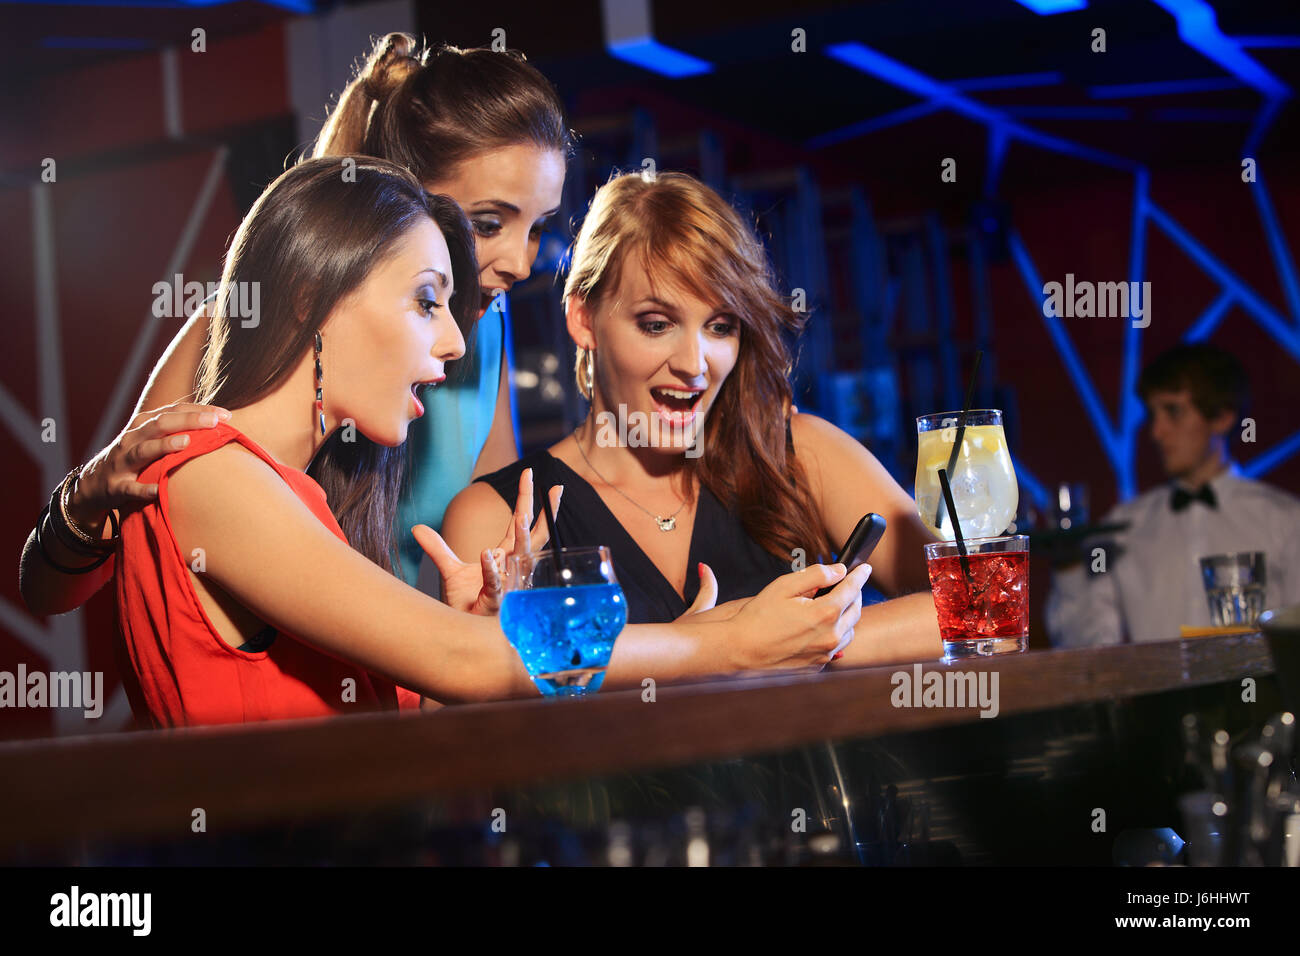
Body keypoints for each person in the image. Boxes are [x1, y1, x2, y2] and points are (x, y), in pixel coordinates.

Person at [108, 157, 867, 728]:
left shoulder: (293, 492)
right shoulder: (216, 477)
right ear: (315, 298)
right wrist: (725, 646)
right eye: (427, 302)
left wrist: (465, 630)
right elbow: (468, 663)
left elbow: (424, 718)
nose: (451, 341)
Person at [18, 32, 568, 616]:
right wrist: (81, 503)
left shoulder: (486, 334)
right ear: (398, 198)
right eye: (487, 224)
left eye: (537, 228)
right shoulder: (237, 321)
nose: (521, 263)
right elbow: (56, 589)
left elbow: (481, 569)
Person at [442, 171, 942, 668]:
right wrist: (719, 653)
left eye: (720, 326)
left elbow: (979, 603)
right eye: (657, 324)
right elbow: (464, 728)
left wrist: (808, 642)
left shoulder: (799, 453)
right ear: (584, 319)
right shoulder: (495, 517)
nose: (694, 363)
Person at [1046, 344, 1300, 646]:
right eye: (1153, 414)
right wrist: (1068, 568)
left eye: (1173, 412)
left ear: (1222, 417)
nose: (1157, 431)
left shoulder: (1285, 520)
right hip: (1155, 692)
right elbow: (1088, 654)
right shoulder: (1123, 528)